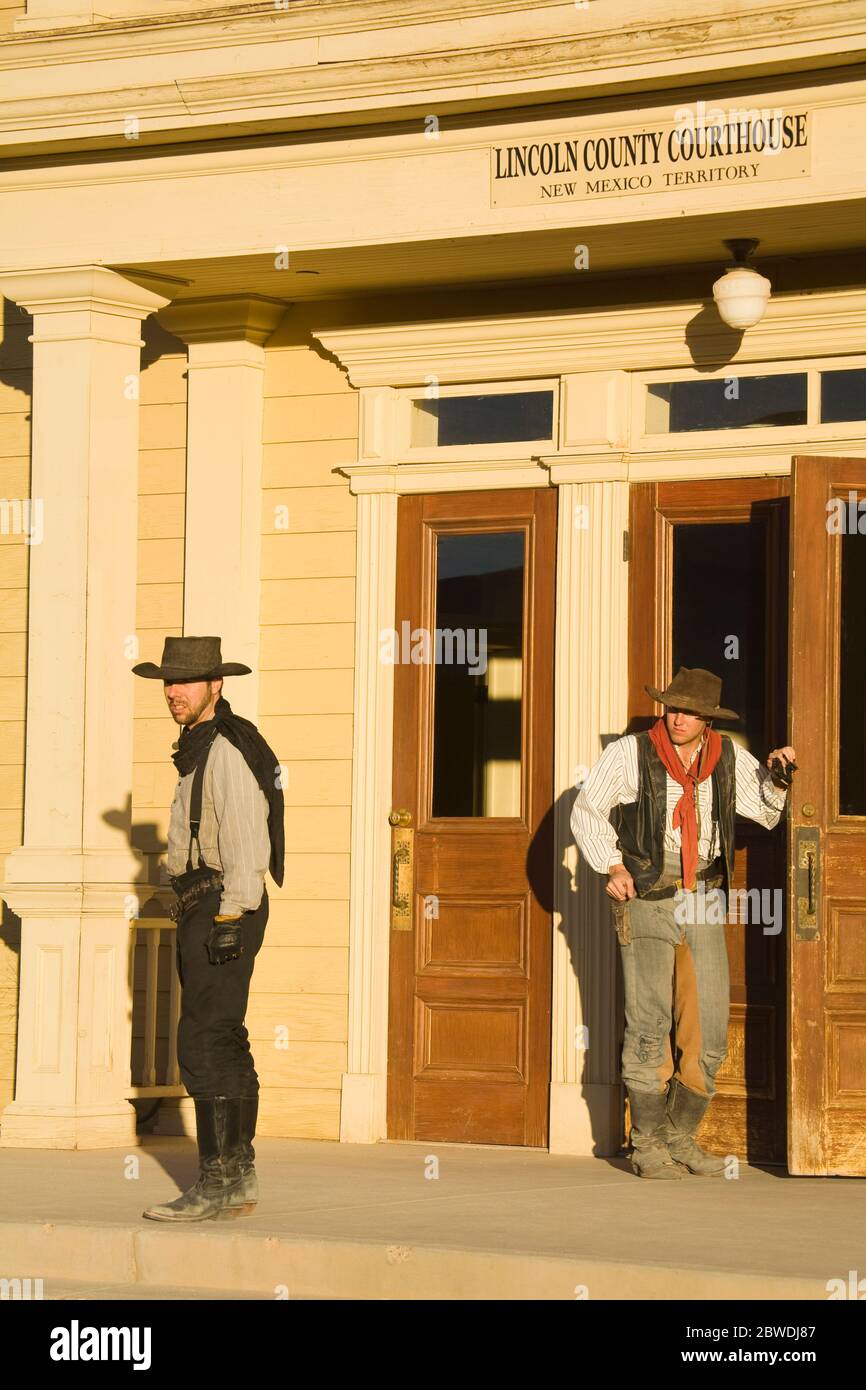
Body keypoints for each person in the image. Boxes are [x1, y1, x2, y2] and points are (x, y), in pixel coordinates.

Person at [571, 667, 795, 1180]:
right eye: (673, 707)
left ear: (708, 718)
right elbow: (587, 810)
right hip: (649, 893)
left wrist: (778, 779)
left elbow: (763, 815)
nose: (678, 718)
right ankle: (646, 1145)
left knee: (709, 1026)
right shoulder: (629, 753)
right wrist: (612, 864)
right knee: (648, 1023)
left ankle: (678, 1136)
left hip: (704, 898)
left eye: (690, 711)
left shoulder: (727, 757)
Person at [132, 636, 284, 1221]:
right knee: (222, 1035)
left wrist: (229, 916)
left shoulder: (224, 750)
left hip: (225, 903)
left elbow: (248, 838)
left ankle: (218, 1179)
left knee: (202, 1039)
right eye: (168, 683)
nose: (173, 692)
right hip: (208, 902)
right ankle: (236, 1177)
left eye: (185, 682)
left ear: (215, 686)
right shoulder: (199, 747)